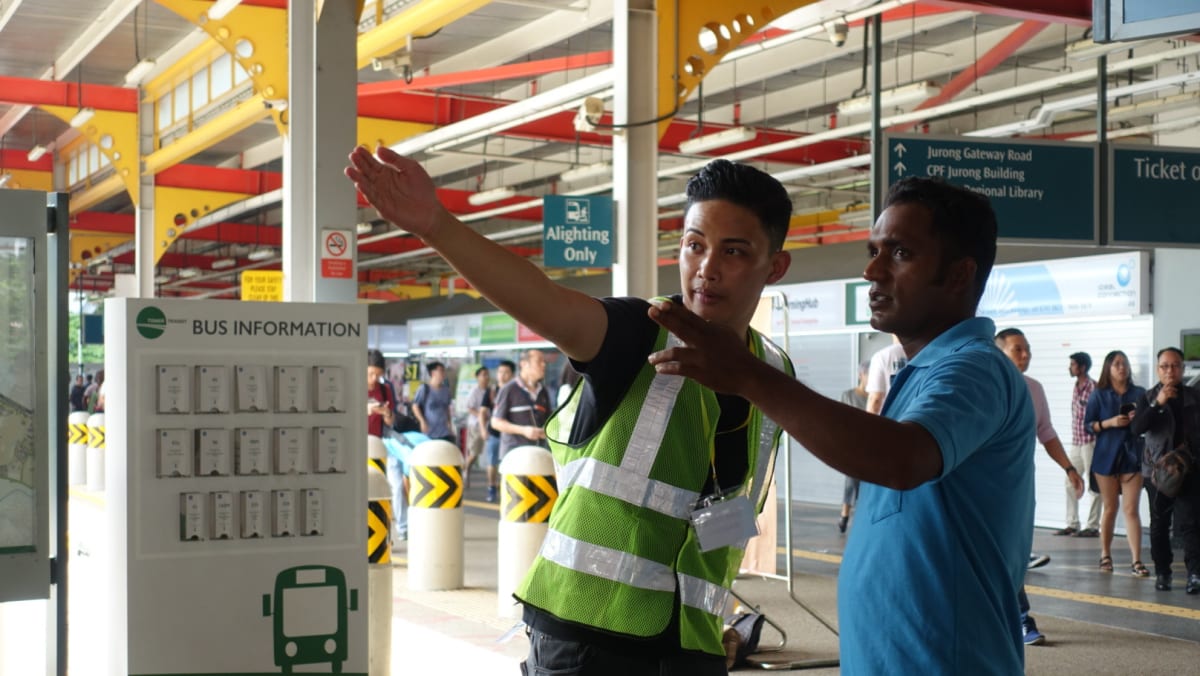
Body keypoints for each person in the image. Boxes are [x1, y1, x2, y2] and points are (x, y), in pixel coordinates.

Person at [347, 148, 793, 674]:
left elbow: (722, 514)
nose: (707, 268)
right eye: (695, 245)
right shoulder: (635, 334)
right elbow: (543, 299)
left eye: (734, 252)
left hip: (692, 646)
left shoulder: (773, 372)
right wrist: (437, 226)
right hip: (586, 640)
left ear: (776, 265)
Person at [648, 176, 1035, 674]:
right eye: (874, 250)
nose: (872, 270)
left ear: (959, 275)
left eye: (899, 254)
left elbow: (901, 458)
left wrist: (746, 374)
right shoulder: (918, 373)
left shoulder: (974, 368)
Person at [995, 328, 1086, 646]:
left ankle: (1012, 617)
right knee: (1000, 552)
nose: (1025, 355)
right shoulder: (986, 386)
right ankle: (1020, 618)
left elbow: (1045, 432)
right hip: (985, 486)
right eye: (1017, 349)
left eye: (1027, 349)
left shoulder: (1034, 388)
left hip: (1020, 486)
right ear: (1000, 352)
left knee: (1013, 553)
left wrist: (1069, 468)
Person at [1131, 347, 1200, 593]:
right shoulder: (1147, 397)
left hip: (1190, 470)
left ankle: (1194, 574)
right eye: (1165, 366)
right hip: (1158, 474)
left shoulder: (1194, 395)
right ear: (1158, 369)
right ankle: (1163, 573)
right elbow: (1137, 428)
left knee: (1192, 524)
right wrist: (1158, 404)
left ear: (1182, 368)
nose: (1170, 371)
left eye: (1175, 365)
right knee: (1160, 524)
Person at [1083, 350, 1148, 576]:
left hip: (1132, 457)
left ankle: (1137, 561)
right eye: (1117, 364)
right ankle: (1105, 554)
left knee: (1132, 509)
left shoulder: (1139, 393)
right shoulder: (1098, 395)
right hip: (1105, 456)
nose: (1122, 367)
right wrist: (1109, 422)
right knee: (1110, 508)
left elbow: (1148, 423)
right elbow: (1088, 426)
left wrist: (1138, 418)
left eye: (1125, 363)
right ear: (1108, 368)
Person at [1058, 351, 1101, 538]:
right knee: (1070, 481)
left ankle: (1092, 526)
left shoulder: (1094, 387)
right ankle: (1072, 523)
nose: (1070, 367)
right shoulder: (1076, 386)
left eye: (1073, 364)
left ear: (1082, 367)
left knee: (1094, 485)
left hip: (1091, 443)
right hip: (1077, 442)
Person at [491, 349, 550, 459]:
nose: (544, 365)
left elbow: (548, 421)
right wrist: (524, 430)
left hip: (538, 455)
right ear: (524, 364)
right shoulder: (509, 389)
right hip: (514, 457)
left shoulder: (543, 391)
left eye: (544, 362)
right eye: (539, 361)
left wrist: (545, 431)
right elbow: (496, 422)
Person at [837, 360, 870, 533]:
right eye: (868, 375)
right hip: (853, 445)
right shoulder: (848, 395)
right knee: (851, 481)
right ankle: (845, 514)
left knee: (865, 484)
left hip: (870, 446)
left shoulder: (875, 397)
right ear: (861, 375)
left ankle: (852, 517)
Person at [483, 360, 515, 503]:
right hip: (494, 433)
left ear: (512, 374)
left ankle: (505, 490)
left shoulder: (515, 391)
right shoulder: (491, 390)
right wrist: (483, 429)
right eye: (500, 372)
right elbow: (482, 411)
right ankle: (491, 487)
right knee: (492, 462)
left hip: (509, 434)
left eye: (506, 372)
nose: (502, 375)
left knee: (507, 463)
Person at [413, 361, 455, 444]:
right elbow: (415, 406)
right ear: (433, 373)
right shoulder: (424, 389)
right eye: (441, 370)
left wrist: (450, 424)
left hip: (444, 432)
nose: (443, 373)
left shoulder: (446, 390)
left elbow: (447, 409)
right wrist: (422, 421)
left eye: (444, 370)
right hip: (429, 432)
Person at [464, 366, 491, 486]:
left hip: (489, 425)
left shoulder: (490, 390)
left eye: (487, 374)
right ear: (477, 377)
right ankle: (465, 470)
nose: (486, 377)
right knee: (474, 452)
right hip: (476, 425)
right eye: (483, 374)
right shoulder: (474, 391)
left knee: (485, 452)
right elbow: (469, 407)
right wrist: (481, 415)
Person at [865, 336, 906, 414]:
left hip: (890, 420)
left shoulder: (881, 357)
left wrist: (868, 425)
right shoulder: (923, 354)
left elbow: (875, 400)